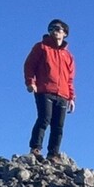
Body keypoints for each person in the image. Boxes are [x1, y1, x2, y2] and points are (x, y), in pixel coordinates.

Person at [24, 19, 76, 161]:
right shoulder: (41, 47)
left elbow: (70, 79)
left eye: (58, 29)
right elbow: (29, 65)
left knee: (58, 125)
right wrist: (30, 82)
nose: (54, 31)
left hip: (63, 94)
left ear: (65, 33)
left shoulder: (68, 56)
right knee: (44, 119)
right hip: (44, 90)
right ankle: (35, 148)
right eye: (51, 28)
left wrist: (71, 97)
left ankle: (53, 154)